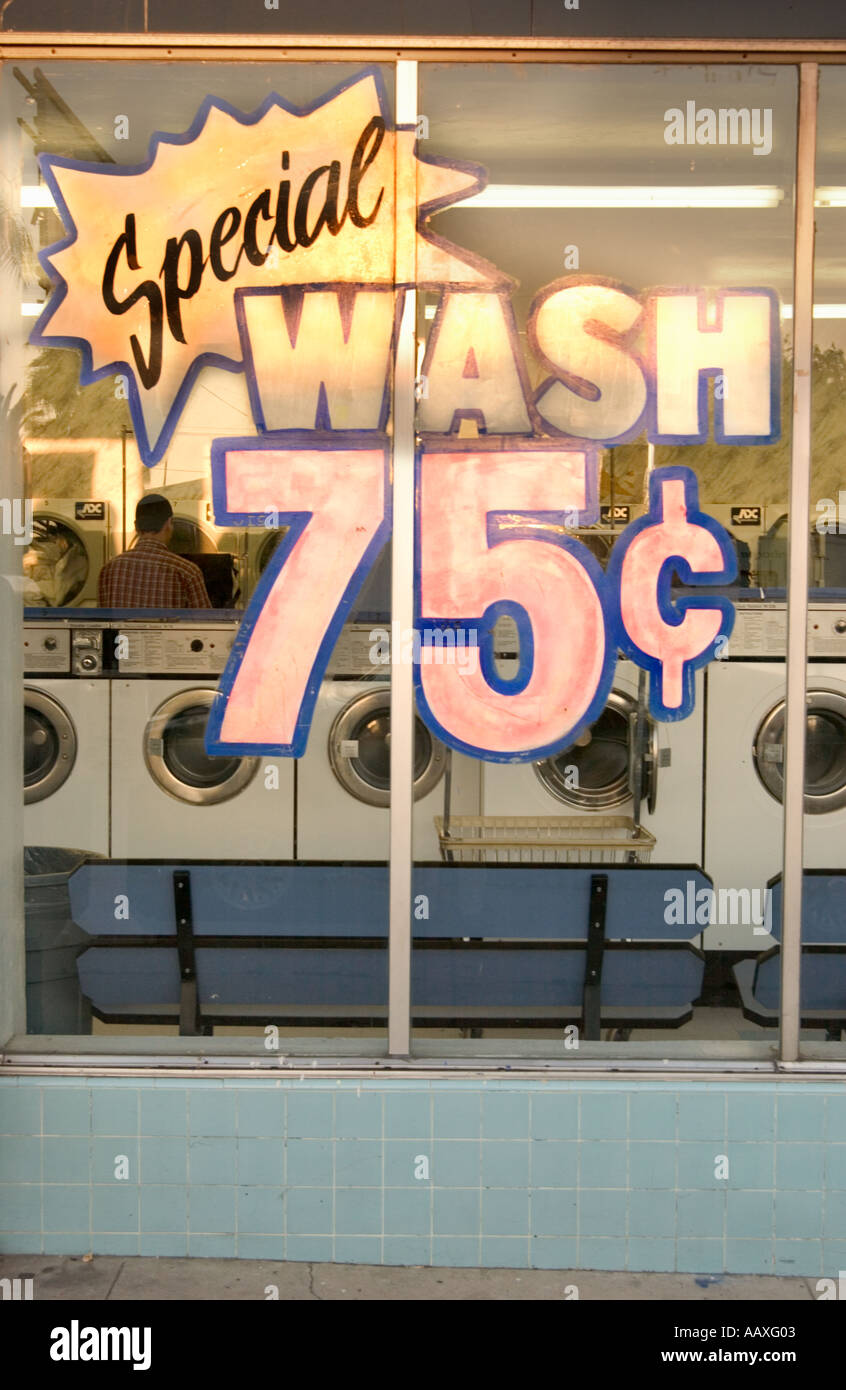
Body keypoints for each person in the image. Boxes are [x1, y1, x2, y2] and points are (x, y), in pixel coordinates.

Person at [98, 494, 212, 608]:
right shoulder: (187, 572)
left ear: (136, 526)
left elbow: (102, 621)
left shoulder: (109, 570)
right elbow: (205, 622)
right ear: (169, 523)